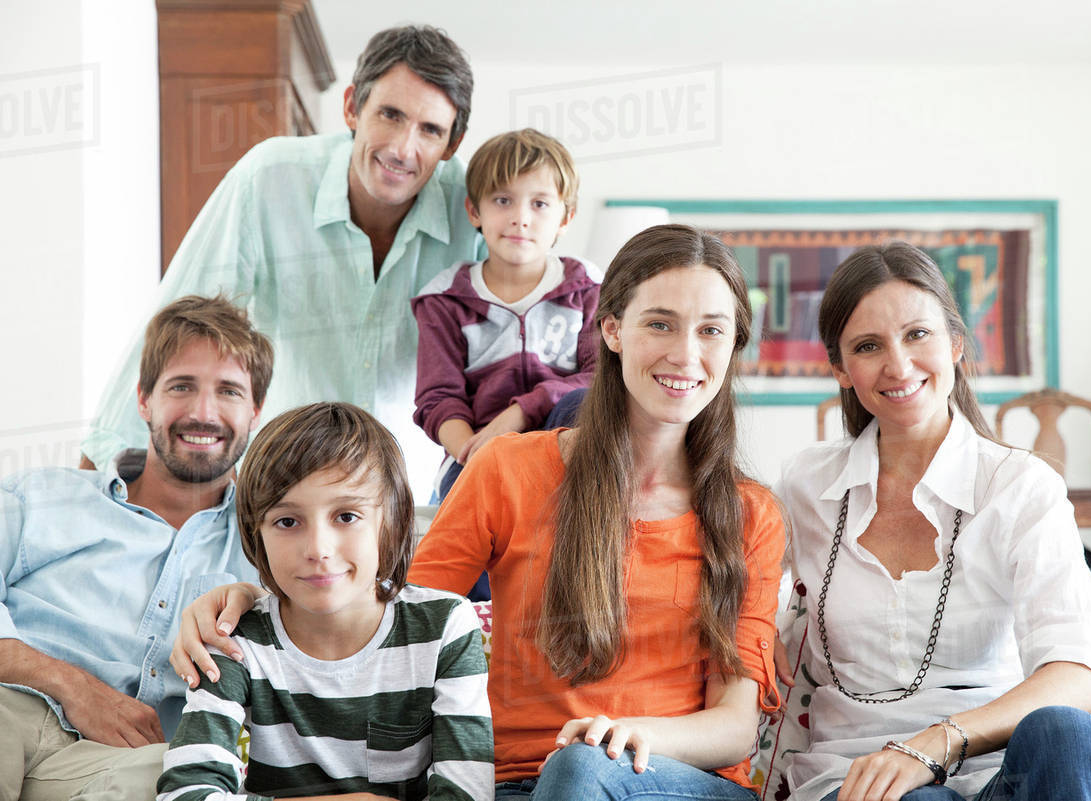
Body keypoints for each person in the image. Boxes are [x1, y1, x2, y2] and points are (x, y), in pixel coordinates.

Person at [170, 224, 786, 801]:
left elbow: (734, 727)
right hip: (516, 782)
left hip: (673, 780)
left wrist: (622, 735)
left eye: (711, 330)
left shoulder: (750, 515)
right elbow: (394, 615)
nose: (685, 353)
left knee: (582, 769)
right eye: (660, 323)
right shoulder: (508, 470)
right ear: (613, 330)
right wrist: (256, 601)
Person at [773, 242, 1091, 801]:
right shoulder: (805, 485)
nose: (899, 366)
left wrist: (937, 743)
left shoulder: (1020, 486)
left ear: (956, 343)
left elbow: (1082, 676)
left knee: (1064, 732)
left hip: (994, 774)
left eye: (917, 334)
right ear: (840, 369)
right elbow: (733, 594)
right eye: (868, 346)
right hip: (855, 781)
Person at [80, 25, 484, 476]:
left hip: (414, 492)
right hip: (280, 484)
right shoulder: (270, 178)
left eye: (430, 130)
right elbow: (180, 316)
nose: (402, 149)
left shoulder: (478, 209)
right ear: (352, 107)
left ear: (452, 144)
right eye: (390, 114)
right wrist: (98, 463)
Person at [0, 295, 272, 801]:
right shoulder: (41, 496)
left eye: (229, 391)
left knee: (173, 781)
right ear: (144, 400)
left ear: (255, 410)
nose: (203, 412)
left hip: (124, 763)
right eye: (182, 386)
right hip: (10, 706)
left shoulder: (271, 550)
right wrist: (71, 685)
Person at [156, 402, 492, 801]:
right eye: (287, 521)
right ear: (255, 532)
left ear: (392, 521)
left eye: (346, 516)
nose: (318, 549)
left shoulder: (445, 626)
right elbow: (185, 794)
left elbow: (466, 795)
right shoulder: (235, 640)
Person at [411, 128, 599, 503]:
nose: (520, 218)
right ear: (474, 211)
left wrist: (521, 413)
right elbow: (438, 398)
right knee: (470, 519)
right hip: (475, 456)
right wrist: (477, 455)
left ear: (566, 217)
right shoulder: (445, 299)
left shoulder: (587, 288)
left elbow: (600, 377)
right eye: (502, 200)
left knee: (581, 402)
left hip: (564, 457)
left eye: (540, 204)